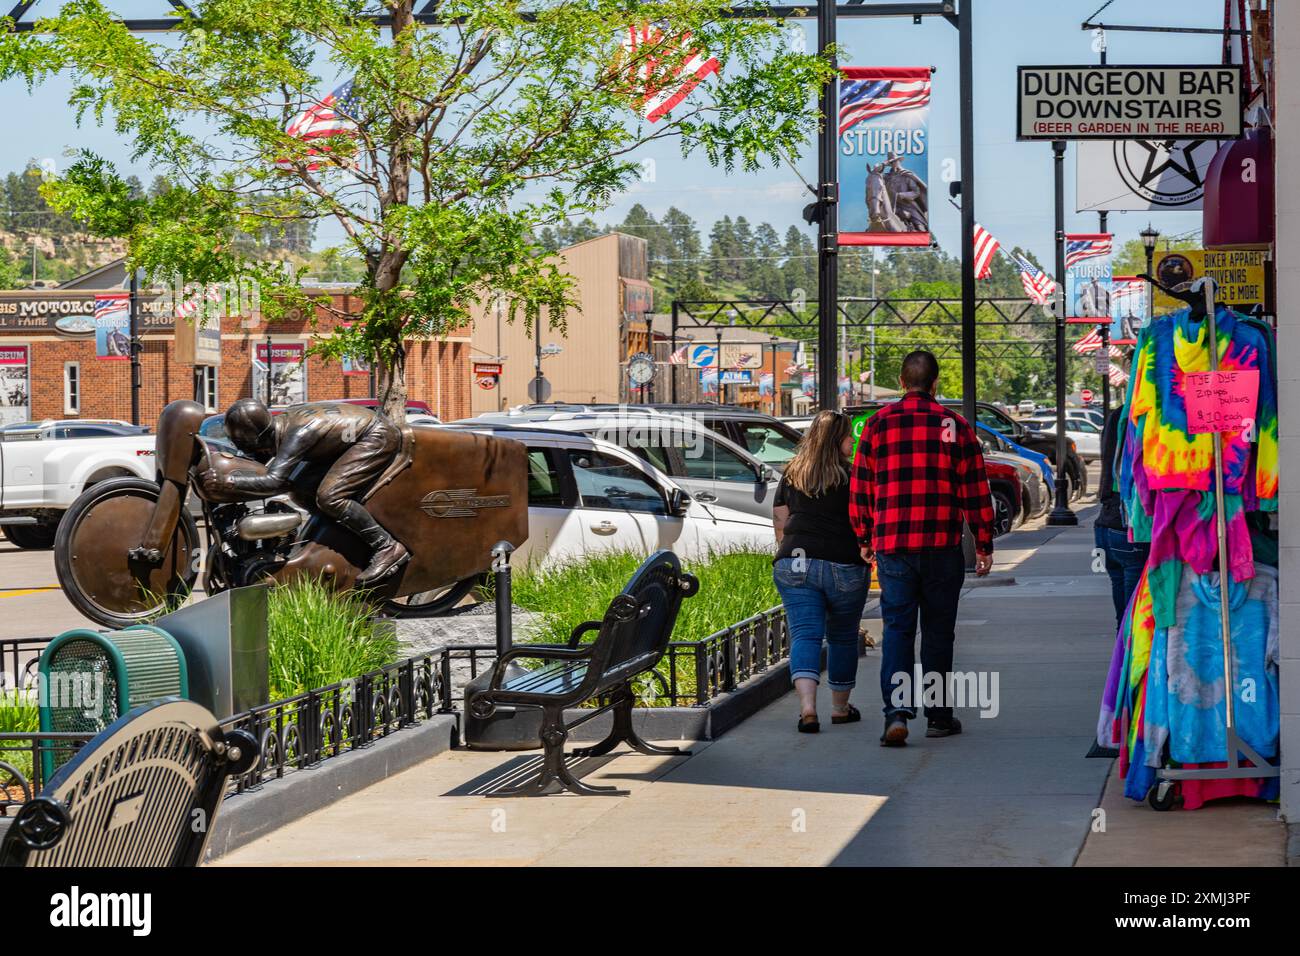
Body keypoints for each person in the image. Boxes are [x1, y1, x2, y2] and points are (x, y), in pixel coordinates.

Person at [850, 350, 996, 747]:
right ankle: (938, 716)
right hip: (941, 547)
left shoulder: (877, 426)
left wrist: (864, 538)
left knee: (897, 630)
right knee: (937, 633)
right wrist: (983, 543)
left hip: (894, 546)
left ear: (901, 382)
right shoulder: (956, 426)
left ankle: (896, 714)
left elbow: (862, 487)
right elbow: (975, 490)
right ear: (935, 384)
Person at [202, 399, 409, 583]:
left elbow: (274, 481)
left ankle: (387, 546)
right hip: (350, 439)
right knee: (299, 488)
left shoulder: (297, 433)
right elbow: (270, 473)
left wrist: (227, 481)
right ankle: (337, 536)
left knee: (330, 497)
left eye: (250, 447)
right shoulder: (278, 429)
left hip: (375, 435)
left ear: (260, 439)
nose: (255, 453)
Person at [772, 410, 869, 734]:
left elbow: (781, 522)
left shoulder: (792, 474)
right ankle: (840, 709)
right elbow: (864, 521)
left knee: (805, 635)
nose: (853, 441)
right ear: (836, 440)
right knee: (842, 637)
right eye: (848, 436)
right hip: (844, 563)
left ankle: (807, 708)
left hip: (795, 562)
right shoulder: (853, 476)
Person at [1095, 406, 1149, 626]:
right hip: (1129, 523)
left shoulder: (1117, 416)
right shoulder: (1142, 415)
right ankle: (1129, 658)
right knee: (1135, 618)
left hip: (1106, 524)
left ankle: (1122, 658)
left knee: (1124, 615)